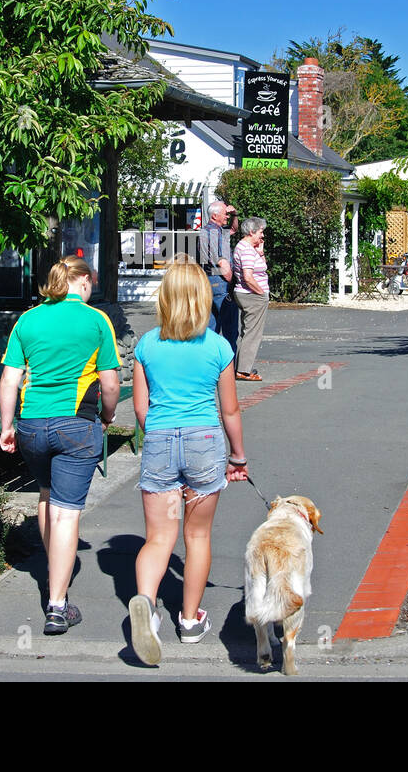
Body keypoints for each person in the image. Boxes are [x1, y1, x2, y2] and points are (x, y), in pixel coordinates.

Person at [127, 254, 249, 665]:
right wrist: (238, 456)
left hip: (160, 440)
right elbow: (230, 409)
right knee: (196, 537)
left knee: (158, 537)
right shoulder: (218, 346)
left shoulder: (146, 344)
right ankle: (190, 620)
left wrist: (162, 436)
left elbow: (141, 411)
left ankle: (146, 602)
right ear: (200, 299)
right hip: (204, 442)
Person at [0, 255, 120, 635]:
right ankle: (56, 604)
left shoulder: (28, 319)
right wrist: (107, 416)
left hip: (32, 426)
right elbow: (111, 382)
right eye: (90, 282)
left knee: (47, 494)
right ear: (81, 282)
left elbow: (9, 379)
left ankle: (51, 575)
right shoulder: (96, 319)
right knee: (67, 514)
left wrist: (7, 427)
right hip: (76, 426)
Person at [197, 199, 239, 354]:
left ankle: (208, 363)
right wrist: (232, 281)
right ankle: (229, 368)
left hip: (210, 283)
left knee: (212, 327)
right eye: (224, 213)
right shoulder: (212, 233)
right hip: (220, 283)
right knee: (230, 330)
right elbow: (221, 262)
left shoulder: (215, 230)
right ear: (214, 216)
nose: (227, 216)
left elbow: (234, 229)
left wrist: (234, 214)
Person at [232, 216, 269, 381]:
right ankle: (244, 370)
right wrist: (261, 293)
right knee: (253, 333)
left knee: (248, 331)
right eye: (260, 232)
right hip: (251, 295)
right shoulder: (246, 249)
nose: (262, 236)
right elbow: (248, 276)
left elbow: (262, 266)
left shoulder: (248, 247)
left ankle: (242, 367)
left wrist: (260, 253)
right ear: (252, 231)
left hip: (247, 294)